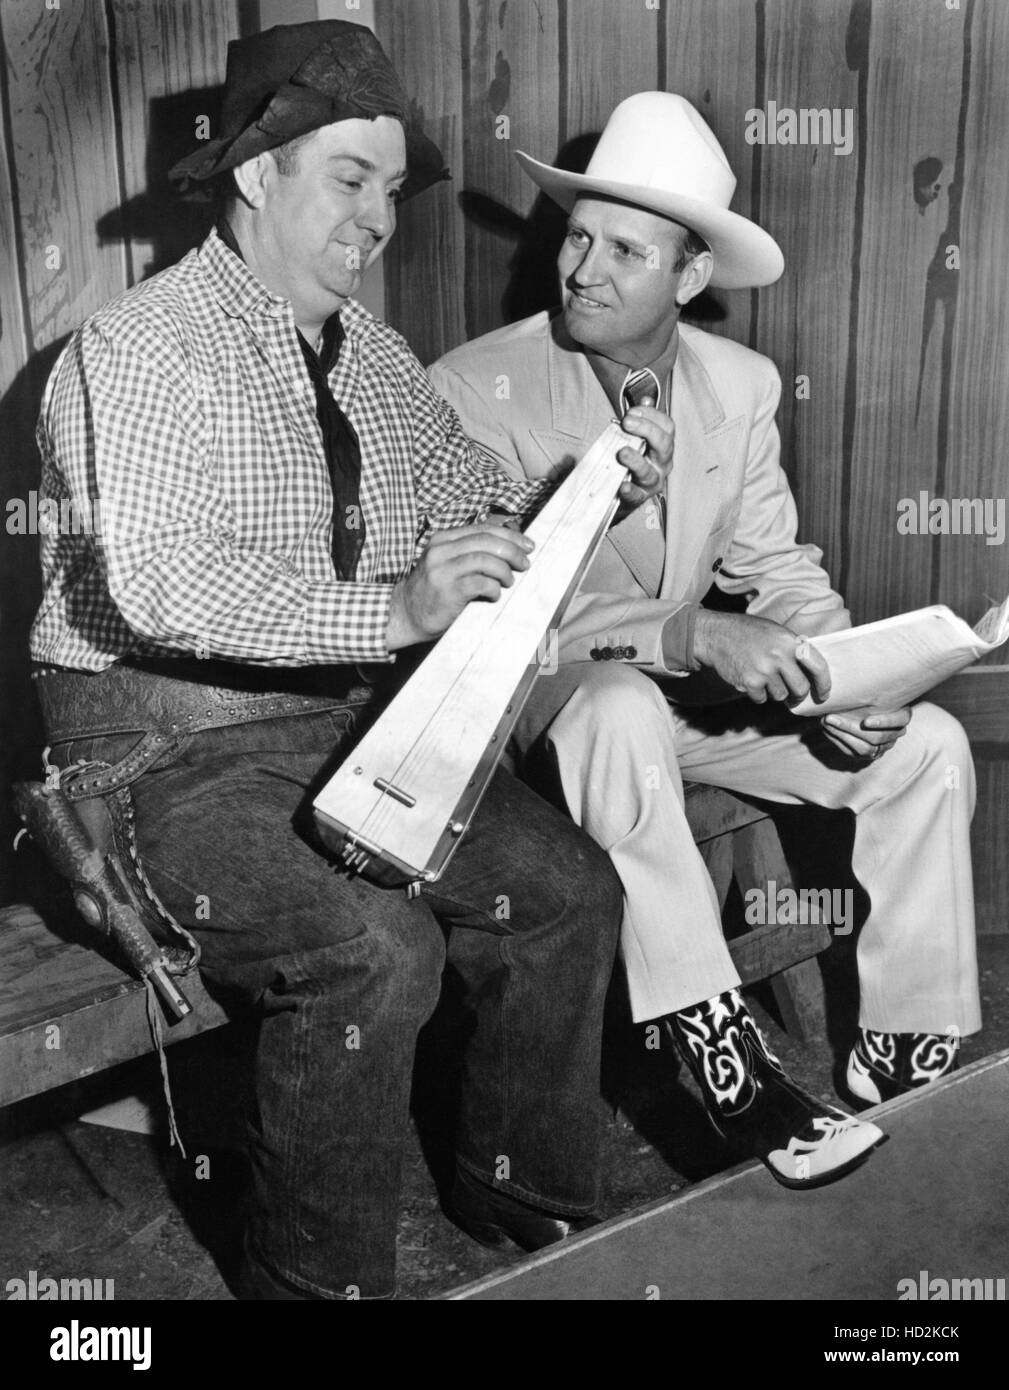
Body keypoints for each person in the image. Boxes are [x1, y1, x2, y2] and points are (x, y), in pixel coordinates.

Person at [27, 25, 675, 1300]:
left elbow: (477, 503)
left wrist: (600, 488)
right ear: (258, 173)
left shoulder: (373, 360)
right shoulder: (140, 347)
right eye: (348, 177)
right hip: (159, 751)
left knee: (565, 891)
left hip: (342, 727)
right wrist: (390, 609)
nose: (380, 214)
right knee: (372, 946)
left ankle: (523, 1195)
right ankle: (317, 1287)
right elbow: (156, 581)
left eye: (391, 185)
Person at [430, 92, 981, 1191]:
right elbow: (505, 620)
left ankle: (909, 1044)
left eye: (624, 250)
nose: (582, 269)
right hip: (549, 717)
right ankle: (716, 1052)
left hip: (682, 713)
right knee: (621, 705)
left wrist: (845, 677)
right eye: (577, 235)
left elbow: (777, 569)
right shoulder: (473, 388)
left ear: (687, 278)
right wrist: (692, 632)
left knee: (926, 744)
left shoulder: (741, 385)